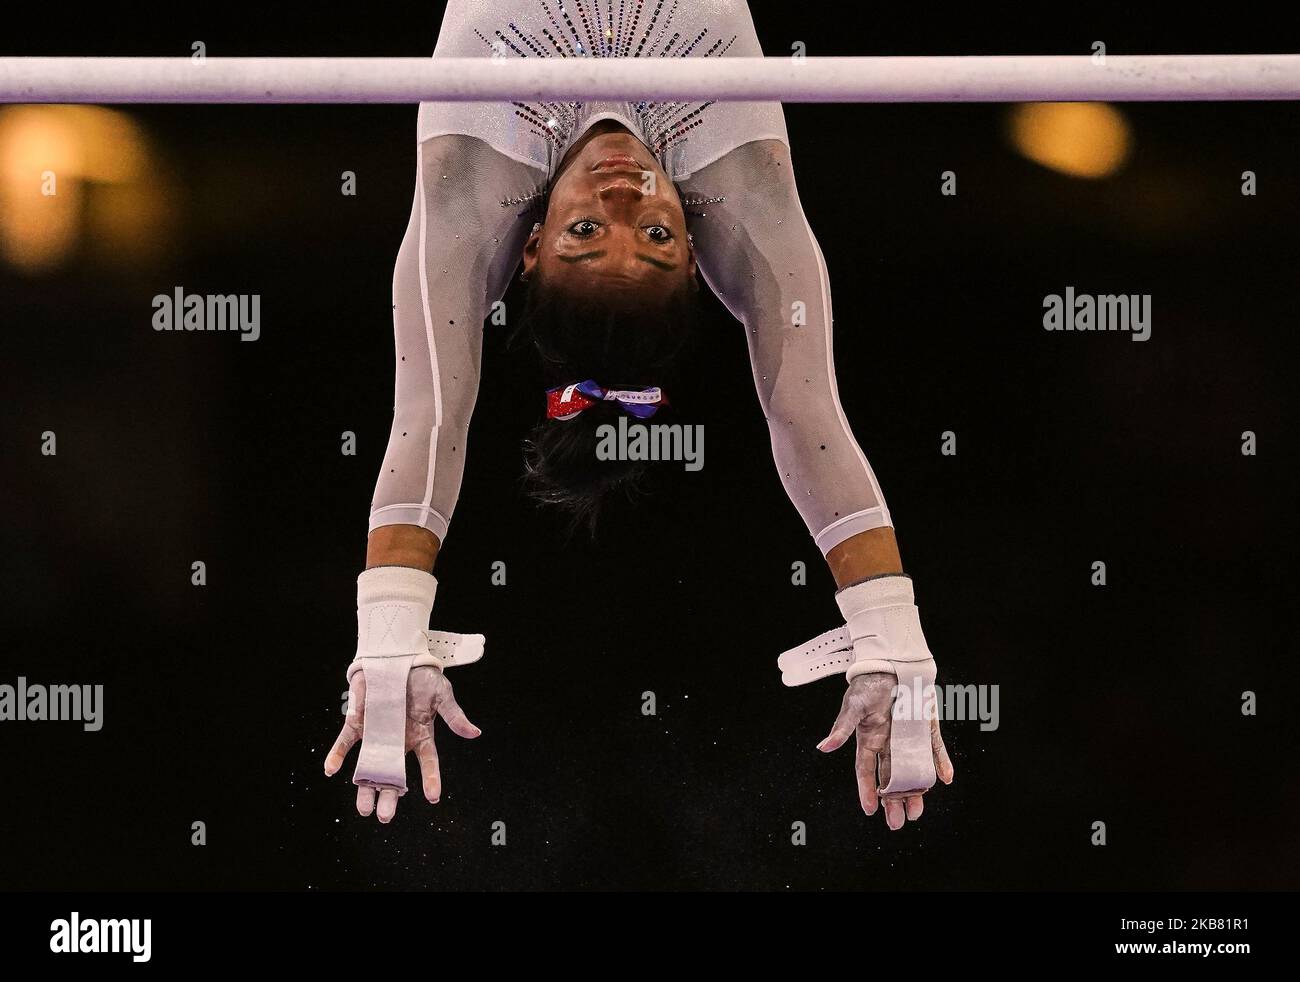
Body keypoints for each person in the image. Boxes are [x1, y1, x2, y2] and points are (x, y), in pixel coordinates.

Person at [324, 0, 954, 831]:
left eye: (585, 230)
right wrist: (892, 638)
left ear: (532, 246)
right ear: (696, 254)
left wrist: (389, 633)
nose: (625, 196)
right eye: (657, 233)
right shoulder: (739, 192)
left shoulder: (471, 189)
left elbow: (431, 416)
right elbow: (807, 413)